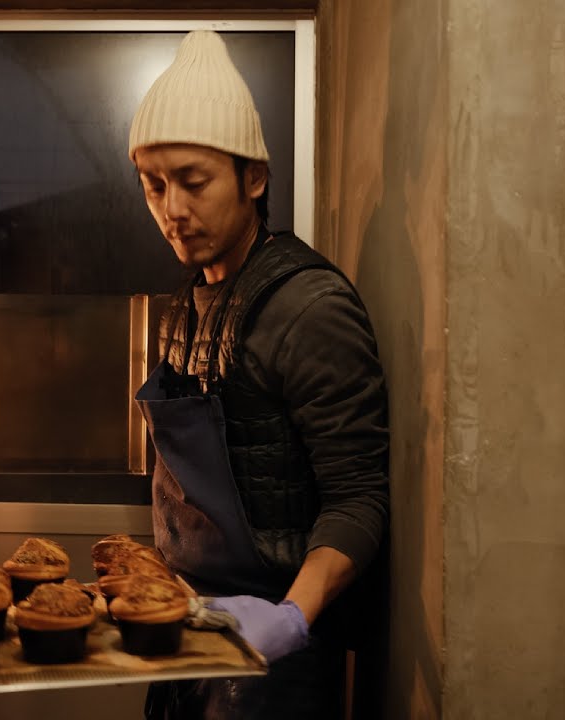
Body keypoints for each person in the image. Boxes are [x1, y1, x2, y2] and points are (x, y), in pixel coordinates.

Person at [130, 30, 390, 719]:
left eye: (193, 181)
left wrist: (292, 620)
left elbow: (360, 497)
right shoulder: (184, 306)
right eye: (153, 186)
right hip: (192, 632)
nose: (172, 210)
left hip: (280, 657)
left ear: (254, 177)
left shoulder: (310, 308)